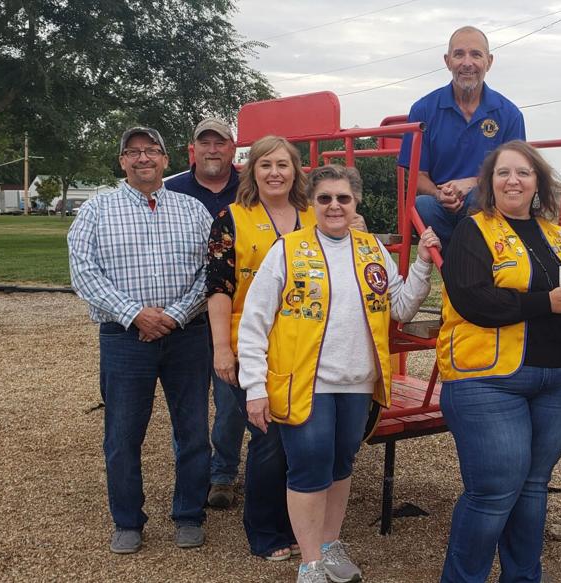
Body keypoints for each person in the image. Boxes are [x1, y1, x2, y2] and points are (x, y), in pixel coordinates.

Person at [237, 165, 440, 583]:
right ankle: (310, 562)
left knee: (341, 465)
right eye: (325, 198)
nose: (334, 206)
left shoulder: (370, 249)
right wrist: (254, 388)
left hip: (358, 383)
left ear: (355, 203)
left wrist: (421, 265)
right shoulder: (287, 250)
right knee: (309, 469)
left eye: (343, 198)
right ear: (311, 203)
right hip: (305, 381)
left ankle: (330, 545)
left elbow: (399, 308)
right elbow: (255, 322)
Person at [437, 140, 561, 583]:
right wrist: (545, 303)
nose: (513, 180)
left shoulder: (557, 233)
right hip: (488, 378)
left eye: (523, 172)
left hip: (556, 378)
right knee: (493, 491)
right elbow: (471, 299)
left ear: (538, 180)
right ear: (489, 183)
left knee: (533, 488)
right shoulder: (473, 229)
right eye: (503, 173)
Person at [68, 126, 214, 554]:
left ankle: (189, 515)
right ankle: (128, 521)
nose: (143, 158)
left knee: (192, 432)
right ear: (122, 162)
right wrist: (136, 315)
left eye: (151, 150)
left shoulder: (193, 211)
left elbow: (213, 271)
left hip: (187, 334)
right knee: (122, 435)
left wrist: (175, 314)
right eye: (133, 152)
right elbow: (84, 273)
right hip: (124, 338)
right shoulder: (96, 211)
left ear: (167, 160)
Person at [205, 135, 315, 560]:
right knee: (267, 436)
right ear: (252, 171)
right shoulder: (231, 217)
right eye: (266, 164)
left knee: (301, 438)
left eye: (283, 165)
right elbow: (218, 288)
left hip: (304, 346)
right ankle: (263, 527)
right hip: (248, 344)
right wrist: (220, 349)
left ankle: (296, 523)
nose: (275, 173)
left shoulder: (315, 213)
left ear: (295, 171)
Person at [165, 116, 245, 509]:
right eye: (205, 143)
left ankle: (223, 473)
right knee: (187, 402)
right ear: (191, 150)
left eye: (221, 142)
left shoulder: (251, 186)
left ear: (233, 148)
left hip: (231, 308)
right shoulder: (171, 189)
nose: (213, 149)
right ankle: (190, 471)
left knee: (231, 403)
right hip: (184, 314)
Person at [398, 25, 526, 248]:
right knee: (422, 205)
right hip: (441, 209)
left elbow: (515, 178)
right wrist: (440, 194)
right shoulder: (423, 110)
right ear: (447, 61)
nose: (467, 63)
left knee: (479, 196)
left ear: (489, 61)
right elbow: (416, 177)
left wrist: (472, 183)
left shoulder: (509, 114)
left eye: (476, 54)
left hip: (489, 209)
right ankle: (459, 260)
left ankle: (465, 259)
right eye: (459, 54)